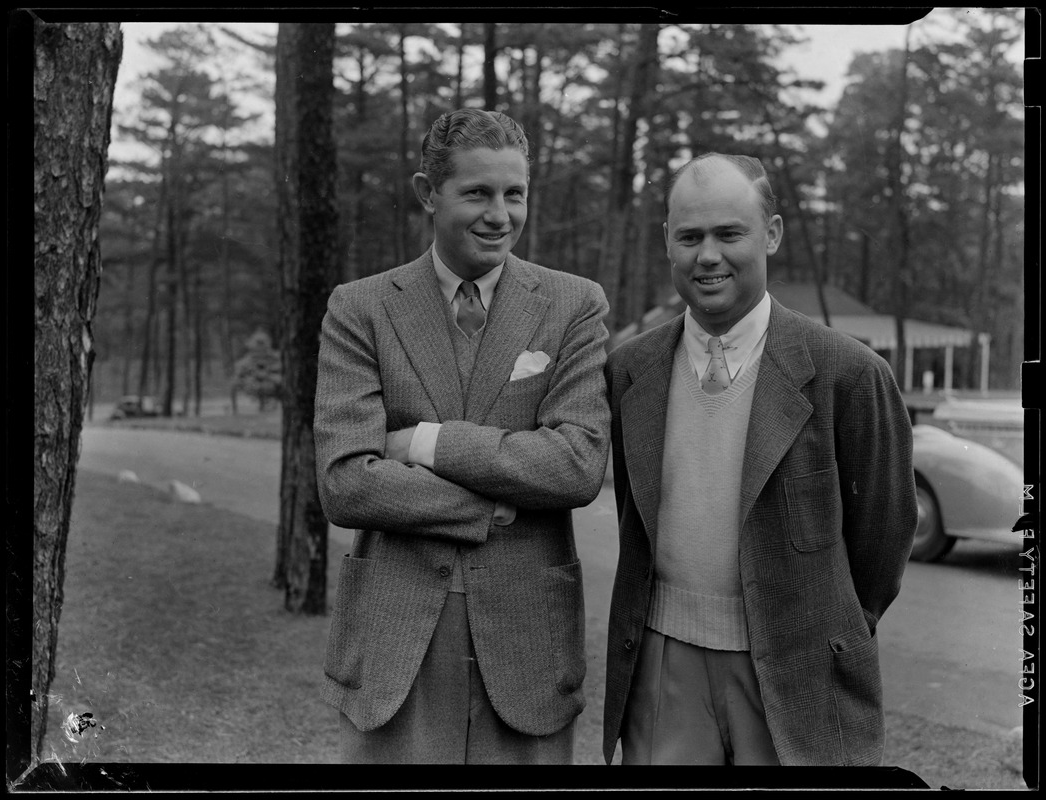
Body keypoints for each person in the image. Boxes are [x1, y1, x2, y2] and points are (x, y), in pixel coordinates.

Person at [314, 108, 611, 765]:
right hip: (395, 642)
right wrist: (498, 503)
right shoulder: (361, 307)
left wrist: (424, 444)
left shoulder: (573, 305)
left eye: (514, 194)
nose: (498, 214)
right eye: (476, 192)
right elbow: (345, 485)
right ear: (427, 192)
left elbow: (577, 465)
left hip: (527, 644)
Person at [601, 152, 918, 767]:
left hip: (795, 672)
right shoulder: (630, 370)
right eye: (689, 237)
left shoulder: (848, 373)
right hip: (661, 668)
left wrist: (820, 628)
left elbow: (883, 540)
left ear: (770, 234)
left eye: (729, 234)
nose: (708, 256)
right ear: (668, 242)